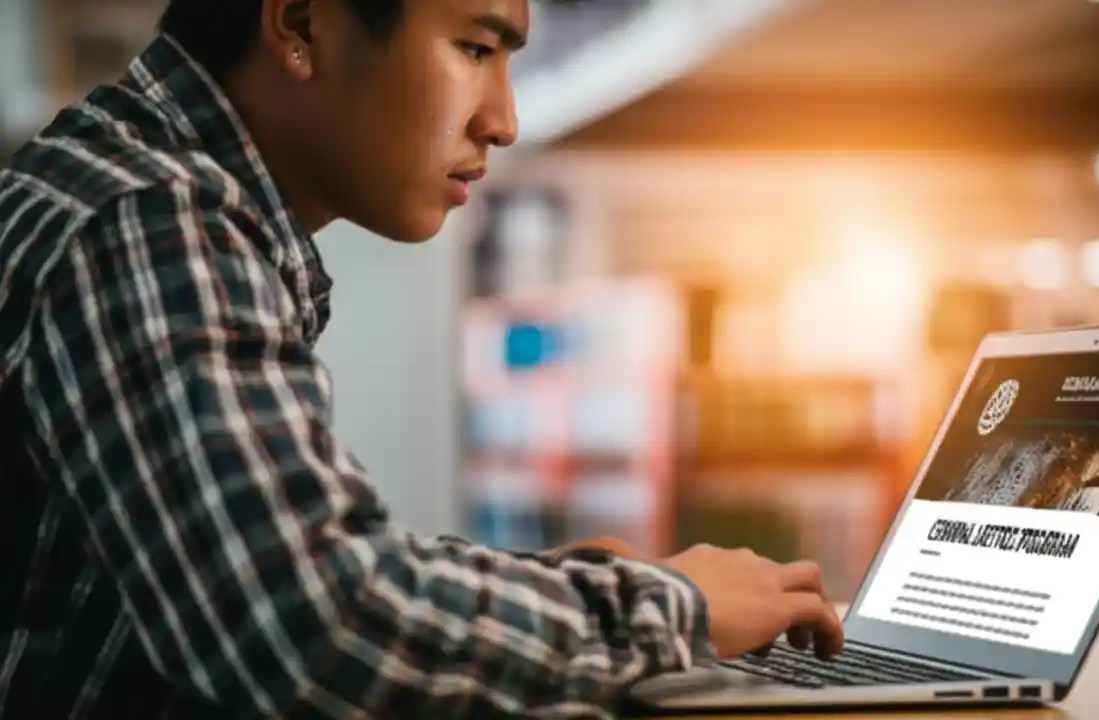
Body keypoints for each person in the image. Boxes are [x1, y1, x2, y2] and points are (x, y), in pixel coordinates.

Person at [0, 1, 844, 717]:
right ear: (302, 25)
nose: (503, 120)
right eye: (475, 49)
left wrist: (554, 591)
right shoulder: (149, 221)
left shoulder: (132, 192)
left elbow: (243, 582)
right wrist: (670, 610)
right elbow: (311, 622)